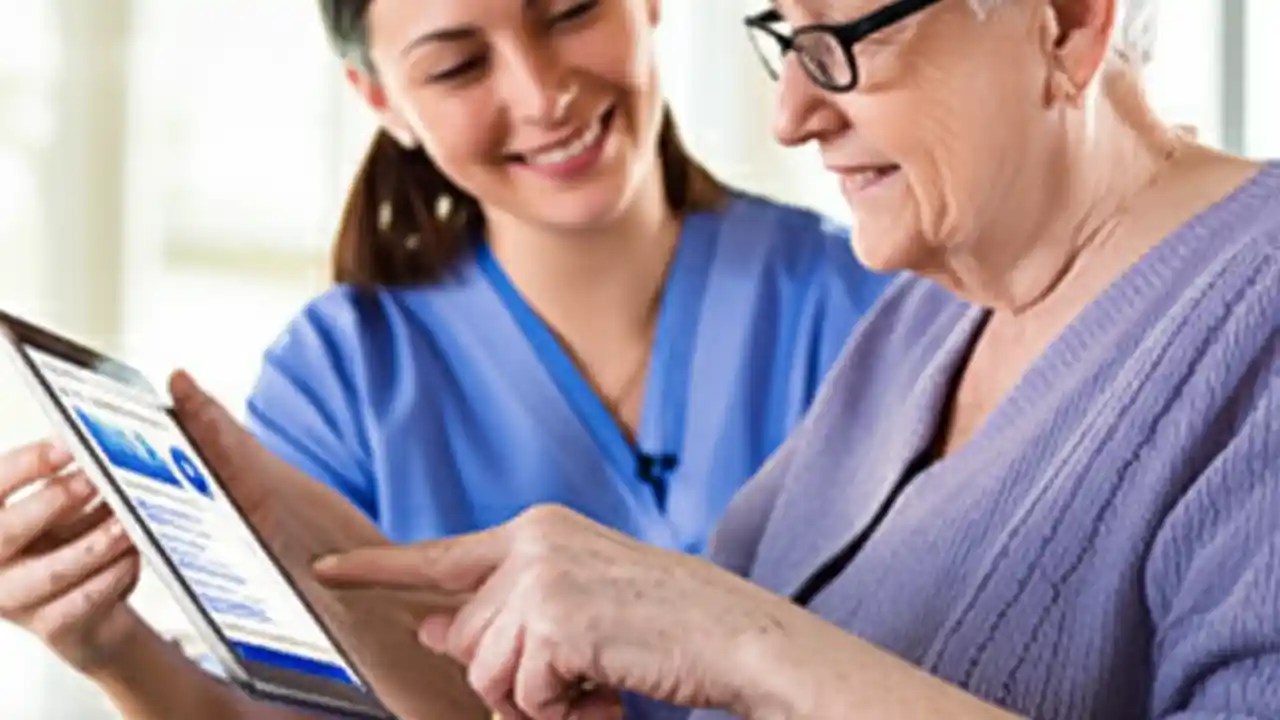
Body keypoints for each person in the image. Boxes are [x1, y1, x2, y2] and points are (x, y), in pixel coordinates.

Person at [311, 0, 1280, 718]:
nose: (790, 114)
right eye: (783, 34)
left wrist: (740, 640)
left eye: (846, 43)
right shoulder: (912, 329)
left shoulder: (1254, 315)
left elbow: (742, 649)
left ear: (1065, 21)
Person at [0, 0, 888, 716]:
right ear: (382, 99)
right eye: (461, 65)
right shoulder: (343, 378)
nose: (544, 94)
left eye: (573, 12)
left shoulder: (878, 308)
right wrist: (107, 646)